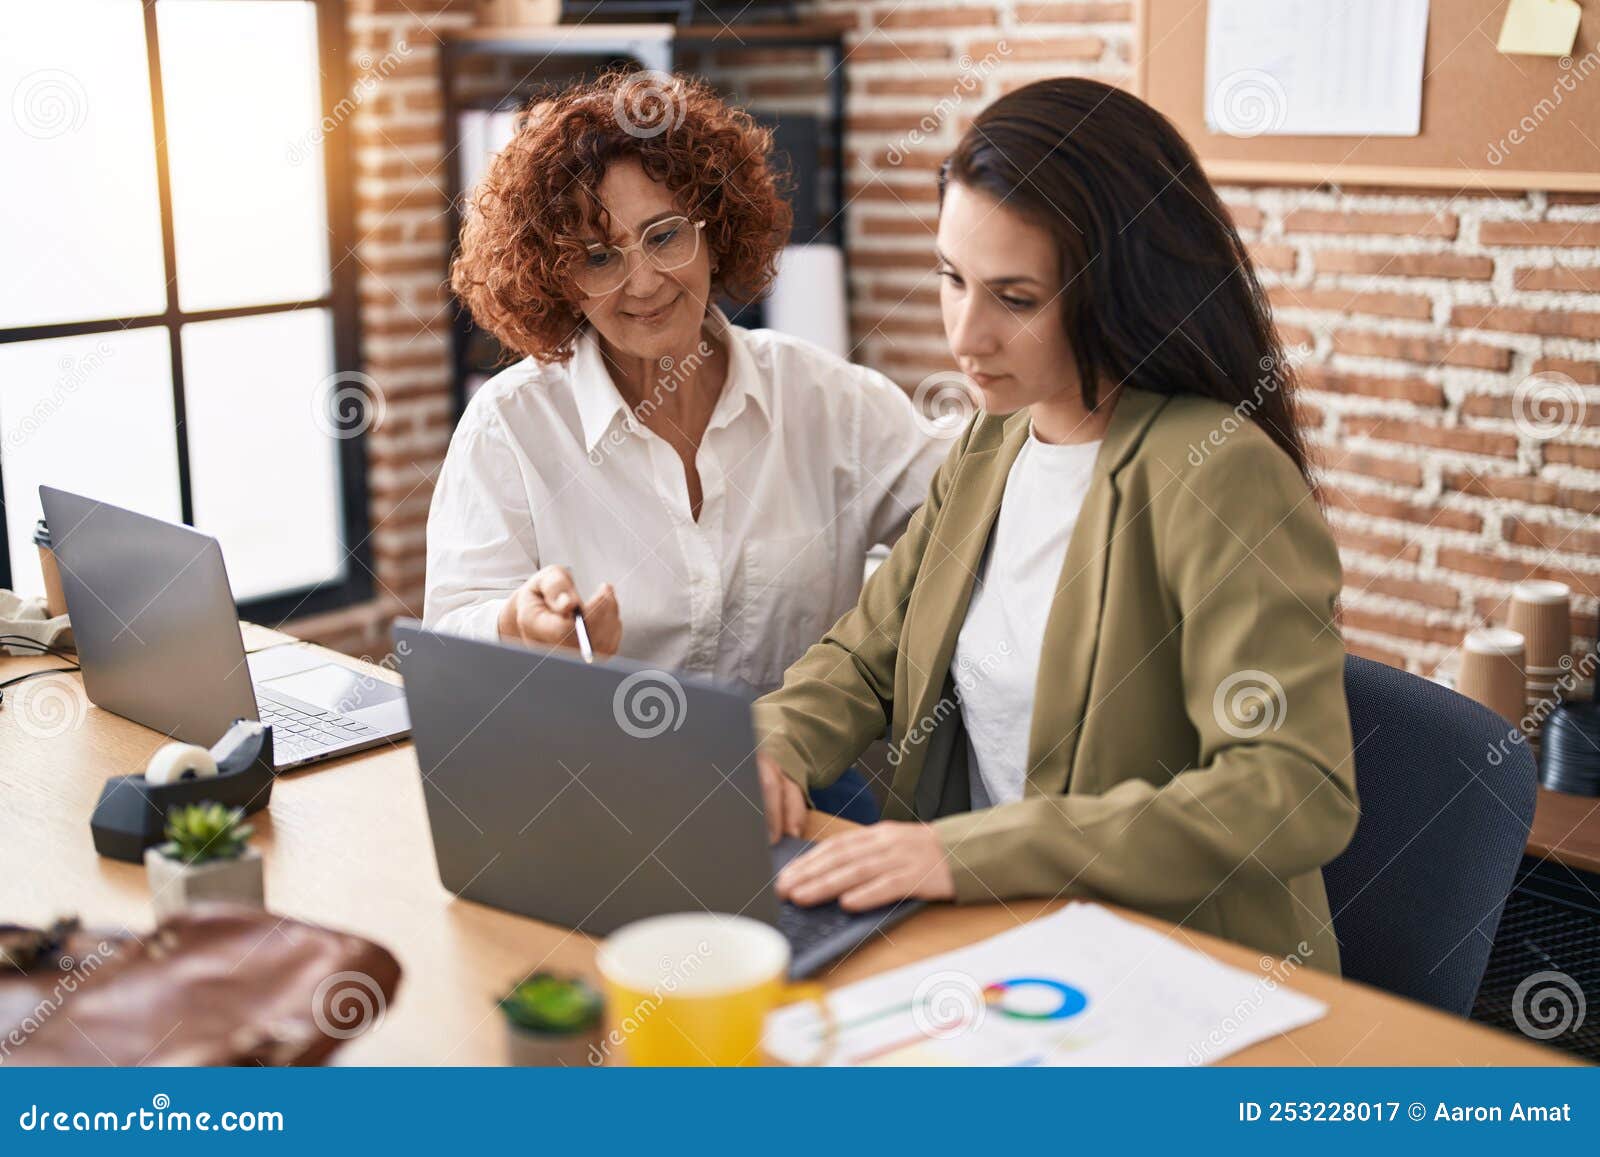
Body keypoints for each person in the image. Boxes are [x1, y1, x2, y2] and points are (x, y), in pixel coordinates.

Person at [753, 77, 1359, 973]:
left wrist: (971, 854)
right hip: (1007, 950)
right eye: (952, 280)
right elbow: (867, 655)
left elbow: (1293, 787)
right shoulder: (991, 443)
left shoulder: (1217, 472)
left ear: (1117, 286)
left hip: (1183, 974)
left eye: (1016, 297)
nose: (966, 336)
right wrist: (774, 744)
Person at [426, 71, 946, 822]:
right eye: (599, 256)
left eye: (665, 235)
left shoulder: (820, 397)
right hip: (594, 794)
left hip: (794, 791)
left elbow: (968, 499)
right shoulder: (511, 428)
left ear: (714, 228)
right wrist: (516, 622)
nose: (644, 282)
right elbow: (449, 648)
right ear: (556, 276)